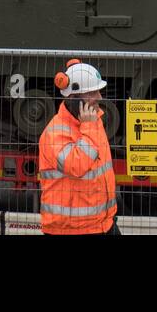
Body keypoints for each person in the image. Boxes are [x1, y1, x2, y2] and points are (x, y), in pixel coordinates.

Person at [37, 59, 119, 235]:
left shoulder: (93, 120)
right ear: (74, 99)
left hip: (103, 223)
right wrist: (88, 127)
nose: (99, 98)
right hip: (71, 229)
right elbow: (76, 166)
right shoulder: (54, 133)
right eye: (92, 93)